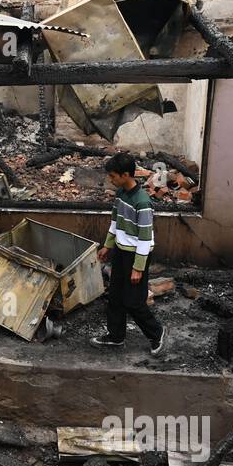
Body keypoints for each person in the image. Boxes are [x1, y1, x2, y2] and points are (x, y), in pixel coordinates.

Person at [91, 152, 166, 356]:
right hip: (122, 252)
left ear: (125, 175)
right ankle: (116, 336)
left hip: (136, 256)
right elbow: (115, 222)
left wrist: (138, 268)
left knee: (133, 301)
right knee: (115, 296)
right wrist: (107, 245)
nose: (110, 179)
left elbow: (145, 237)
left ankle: (157, 333)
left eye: (113, 176)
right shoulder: (121, 194)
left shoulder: (142, 202)